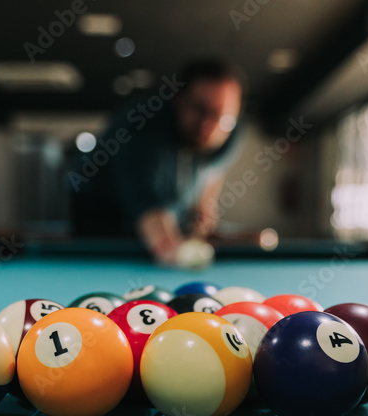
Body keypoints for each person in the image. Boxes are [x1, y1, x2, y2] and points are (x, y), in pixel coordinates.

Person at [68, 60, 244, 265]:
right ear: (180, 100)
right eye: (200, 110)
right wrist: (172, 251)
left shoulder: (230, 131)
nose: (209, 125)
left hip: (162, 218)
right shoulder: (140, 125)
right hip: (100, 216)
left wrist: (203, 206)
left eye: (220, 116)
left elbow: (214, 167)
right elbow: (148, 205)